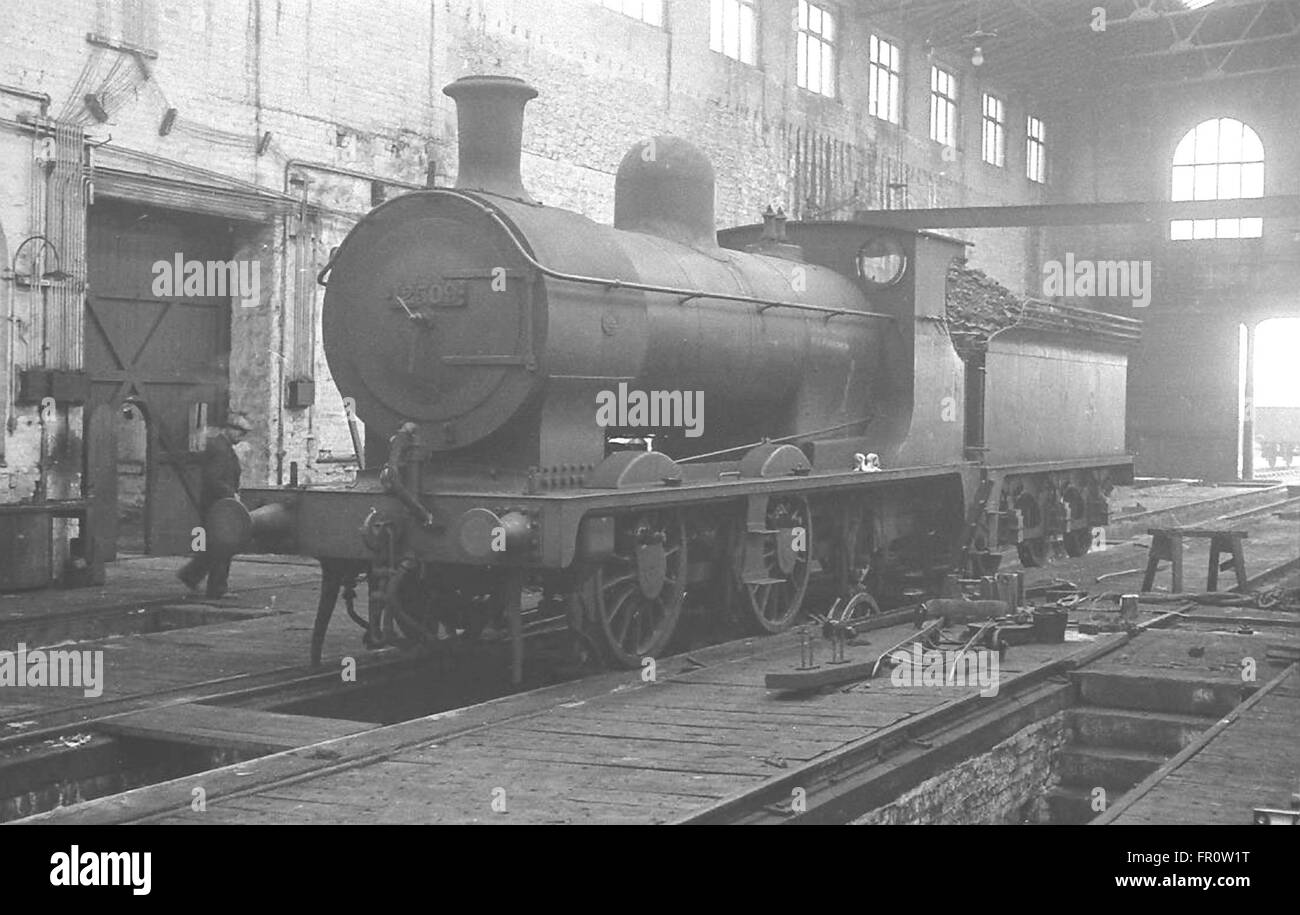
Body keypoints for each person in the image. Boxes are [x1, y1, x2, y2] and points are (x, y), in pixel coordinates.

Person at [177, 414, 251, 598]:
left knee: (215, 545)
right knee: (225, 545)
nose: (242, 438)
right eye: (240, 433)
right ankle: (216, 589)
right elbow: (213, 479)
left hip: (218, 504)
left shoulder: (222, 446)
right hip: (217, 505)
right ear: (230, 429)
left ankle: (191, 575)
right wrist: (231, 493)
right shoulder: (220, 449)